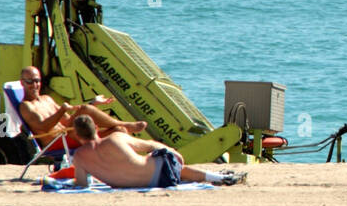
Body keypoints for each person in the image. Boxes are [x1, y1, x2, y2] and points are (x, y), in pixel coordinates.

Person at [67, 115, 241, 188]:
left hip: (143, 184)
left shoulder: (80, 157)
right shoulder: (116, 138)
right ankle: (219, 177)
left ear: (76, 134)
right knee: (179, 170)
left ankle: (219, 177)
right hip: (160, 174)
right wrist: (172, 151)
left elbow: (82, 184)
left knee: (178, 172)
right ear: (96, 128)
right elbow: (149, 145)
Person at [16, 65, 147, 148]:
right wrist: (62, 110)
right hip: (58, 141)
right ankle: (127, 124)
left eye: (37, 80)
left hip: (72, 134)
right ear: (22, 82)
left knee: (119, 131)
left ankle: (121, 167)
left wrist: (93, 103)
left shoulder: (47, 99)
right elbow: (43, 127)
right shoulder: (26, 106)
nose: (34, 85)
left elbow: (67, 120)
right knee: (85, 110)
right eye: (30, 81)